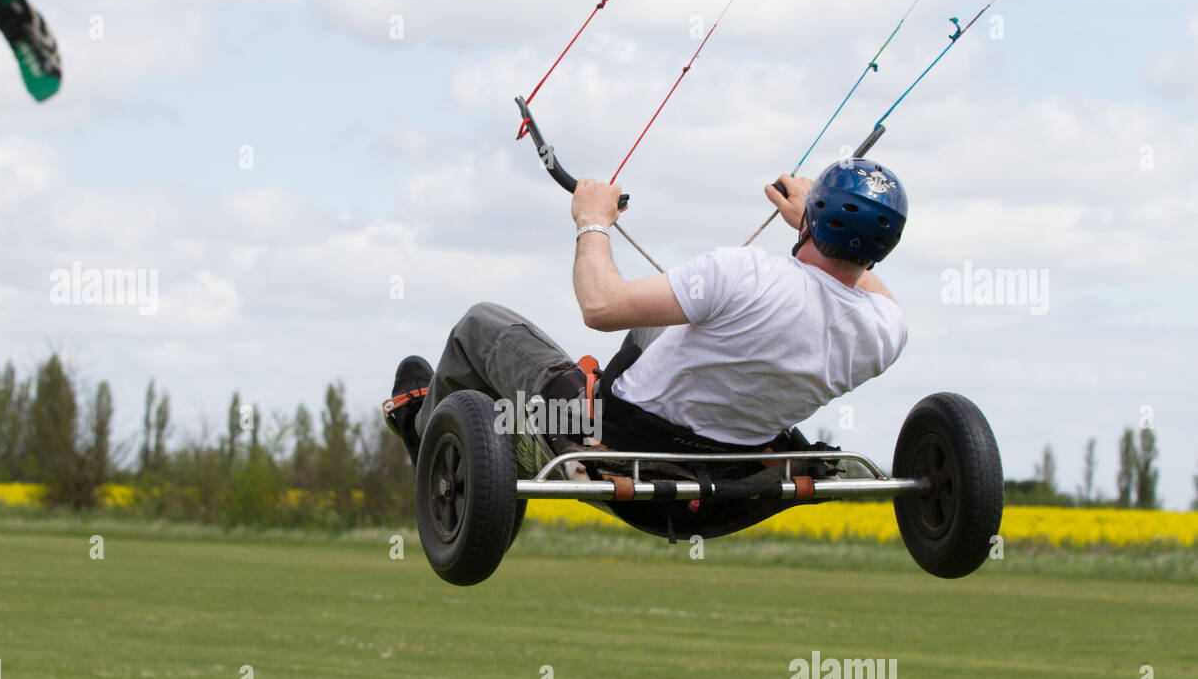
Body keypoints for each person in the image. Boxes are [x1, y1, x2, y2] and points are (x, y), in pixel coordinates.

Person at [383, 159, 909, 464]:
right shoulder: (886, 331)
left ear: (813, 219)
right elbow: (865, 285)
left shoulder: (748, 274)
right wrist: (813, 219)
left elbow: (600, 305)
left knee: (480, 323)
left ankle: (423, 433)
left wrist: (592, 221)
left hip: (616, 433)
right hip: (733, 458)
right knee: (667, 311)